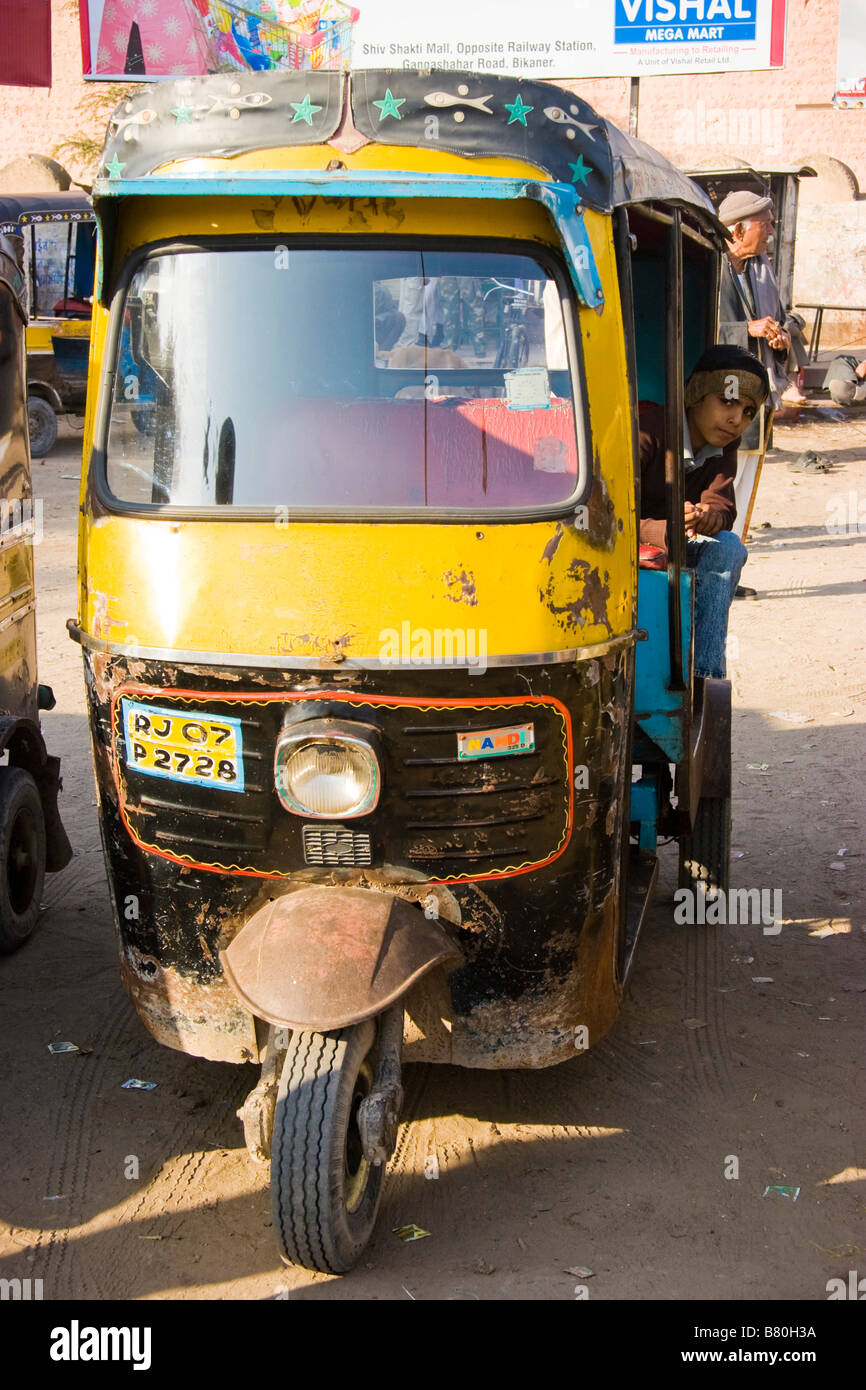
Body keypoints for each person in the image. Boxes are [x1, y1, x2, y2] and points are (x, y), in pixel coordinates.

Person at [639, 344, 770, 680]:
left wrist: (709, 515)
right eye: (727, 402)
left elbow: (723, 506)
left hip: (674, 543)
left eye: (748, 412)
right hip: (619, 547)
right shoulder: (646, 429)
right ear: (696, 394)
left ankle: (705, 679)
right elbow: (605, 517)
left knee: (728, 548)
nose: (735, 419)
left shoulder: (725, 441)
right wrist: (662, 529)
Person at [717, 190, 806, 409]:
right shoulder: (707, 267)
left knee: (759, 441)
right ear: (739, 231)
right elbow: (690, 331)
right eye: (765, 225)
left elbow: (779, 320)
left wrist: (780, 341)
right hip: (723, 384)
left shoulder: (761, 269)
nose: (772, 232)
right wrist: (746, 329)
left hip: (759, 387)